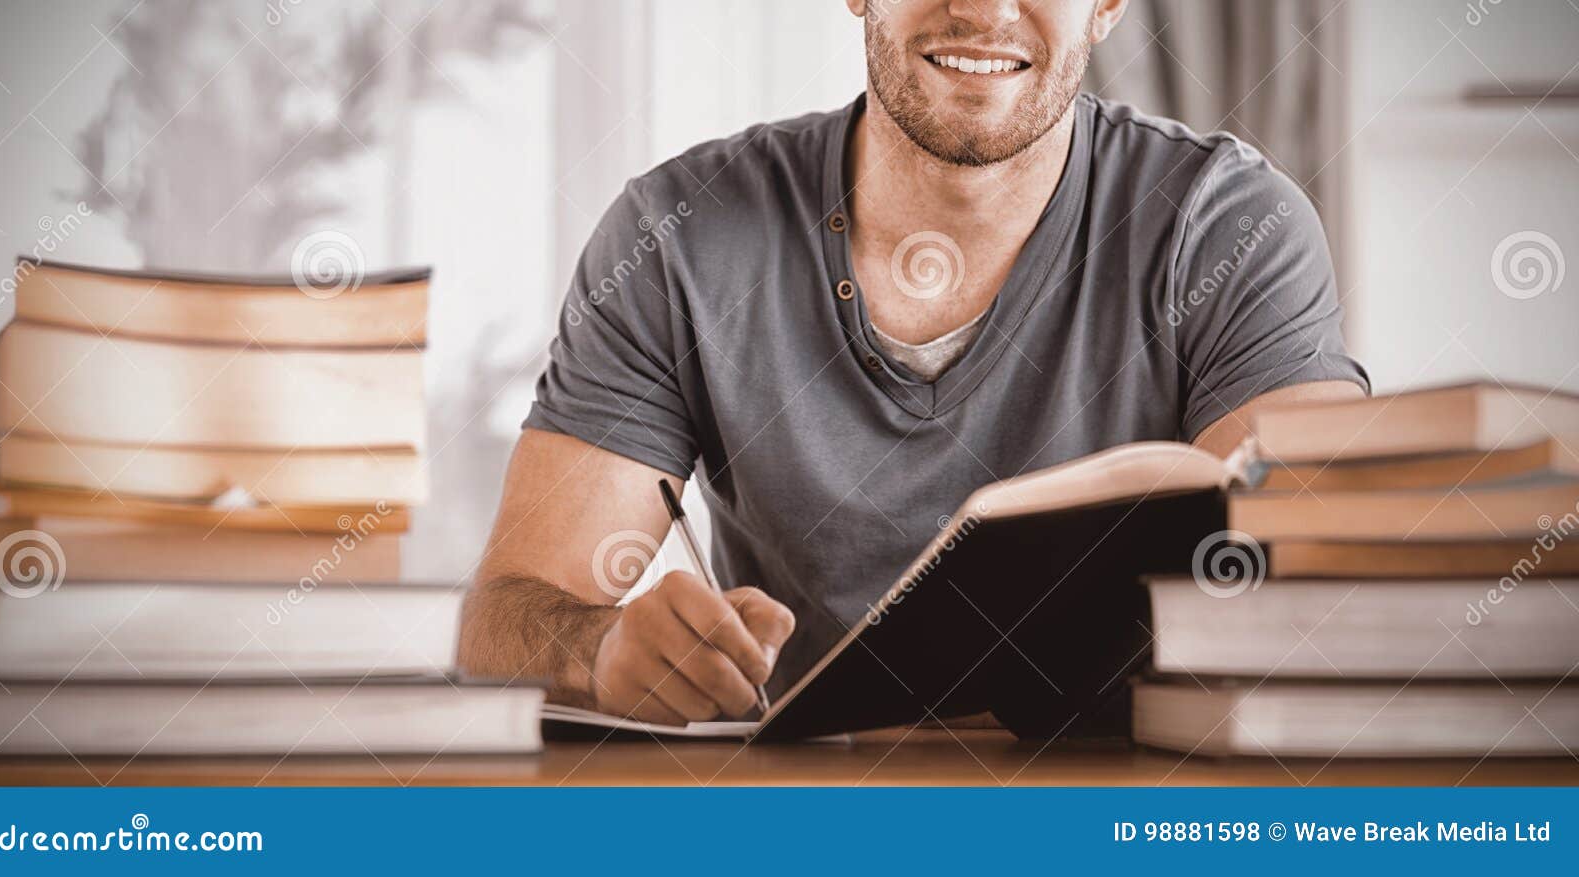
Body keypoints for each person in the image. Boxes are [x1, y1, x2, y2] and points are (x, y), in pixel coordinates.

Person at [456, 0, 1369, 726]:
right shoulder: (679, 238)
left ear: (1110, 3)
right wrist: (604, 648)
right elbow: (503, 618)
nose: (981, 9)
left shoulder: (1232, 227)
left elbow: (1318, 589)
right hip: (814, 812)